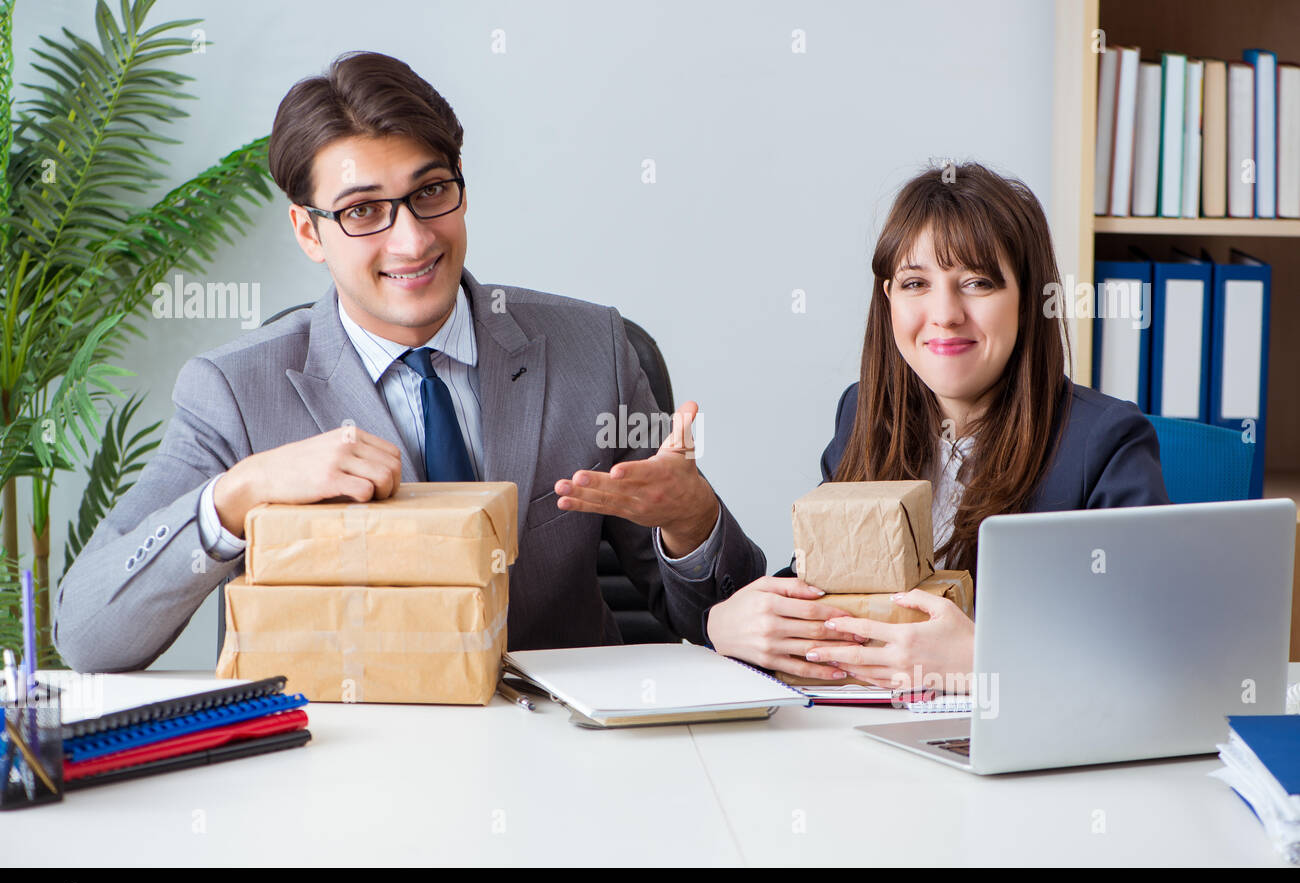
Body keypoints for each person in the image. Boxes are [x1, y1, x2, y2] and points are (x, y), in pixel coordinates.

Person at [54, 51, 764, 672]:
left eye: (430, 192)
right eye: (364, 211)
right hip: (345, 773)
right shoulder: (237, 393)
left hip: (562, 768)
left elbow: (718, 622)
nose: (412, 240)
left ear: (461, 185)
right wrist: (236, 495)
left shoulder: (594, 351)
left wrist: (693, 523)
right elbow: (88, 634)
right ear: (308, 229)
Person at [704, 162, 1170, 689]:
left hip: (1019, 752)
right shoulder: (861, 415)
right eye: (915, 283)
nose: (945, 313)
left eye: (977, 282)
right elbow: (824, 588)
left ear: (1029, 299)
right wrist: (726, 623)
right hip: (859, 738)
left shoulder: (1104, 442)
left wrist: (990, 666)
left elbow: (1152, 655)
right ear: (889, 301)